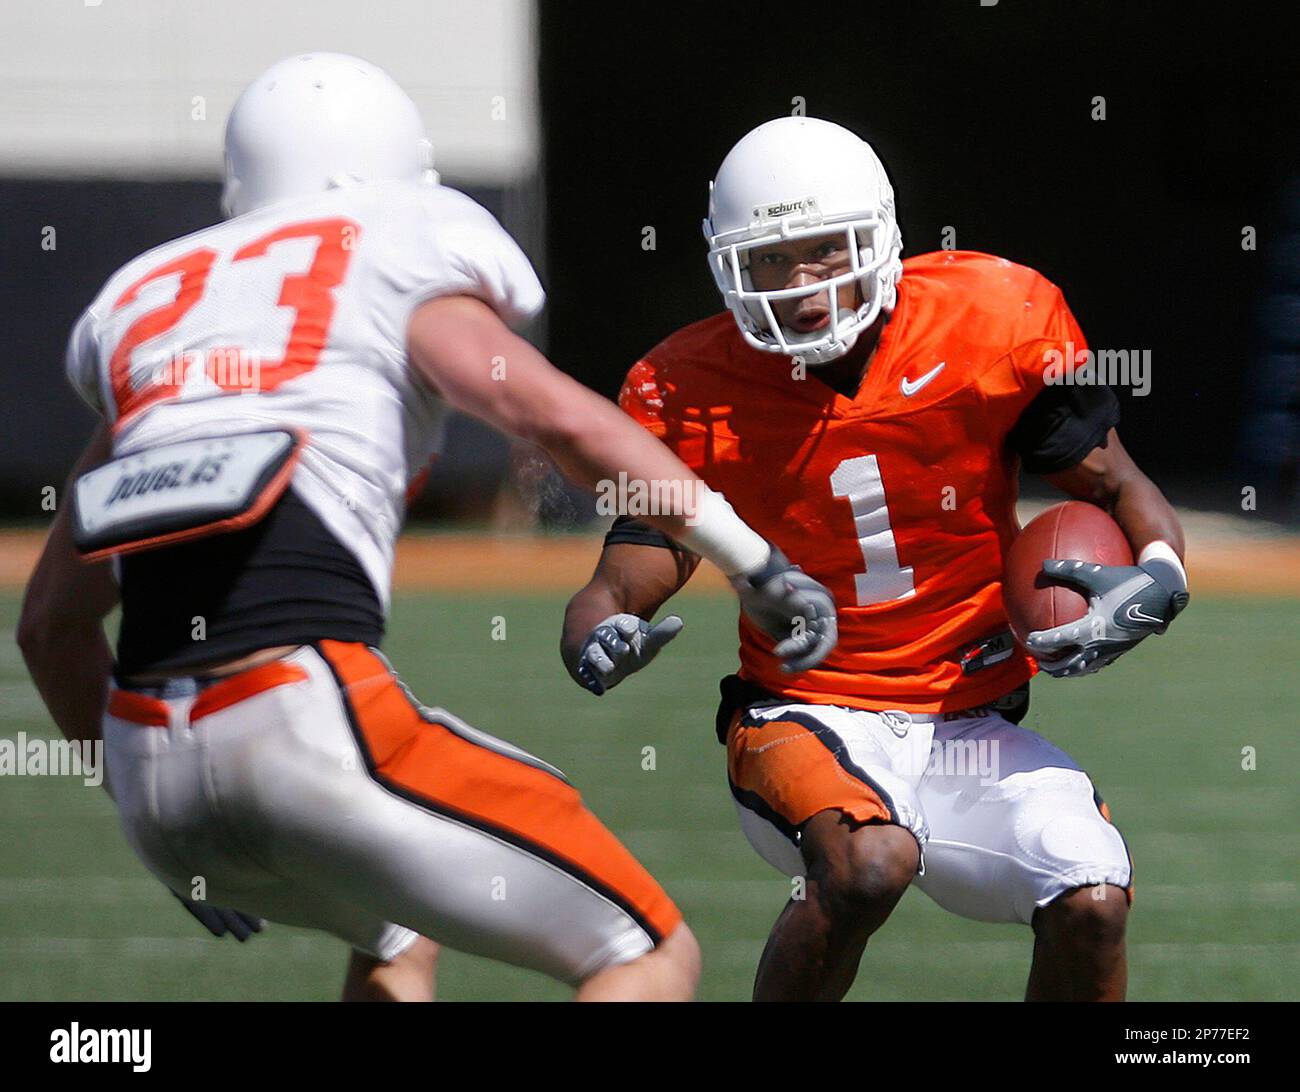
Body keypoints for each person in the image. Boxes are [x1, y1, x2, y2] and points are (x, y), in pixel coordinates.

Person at [17, 56, 838, 1002]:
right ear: (397, 166)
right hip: (299, 719)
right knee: (645, 953)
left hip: (146, 766)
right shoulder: (392, 242)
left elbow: (51, 627)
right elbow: (556, 420)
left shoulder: (152, 317)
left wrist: (153, 820)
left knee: (399, 930)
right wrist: (751, 560)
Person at [562, 116, 1189, 1001]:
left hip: (970, 719)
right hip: (803, 709)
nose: (803, 284)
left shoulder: (990, 319)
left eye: (823, 249)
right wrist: (600, 628)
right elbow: (628, 569)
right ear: (728, 265)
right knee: (869, 860)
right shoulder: (685, 383)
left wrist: (1159, 574)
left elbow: (1116, 485)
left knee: (1091, 898)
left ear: (881, 236)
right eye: (771, 260)